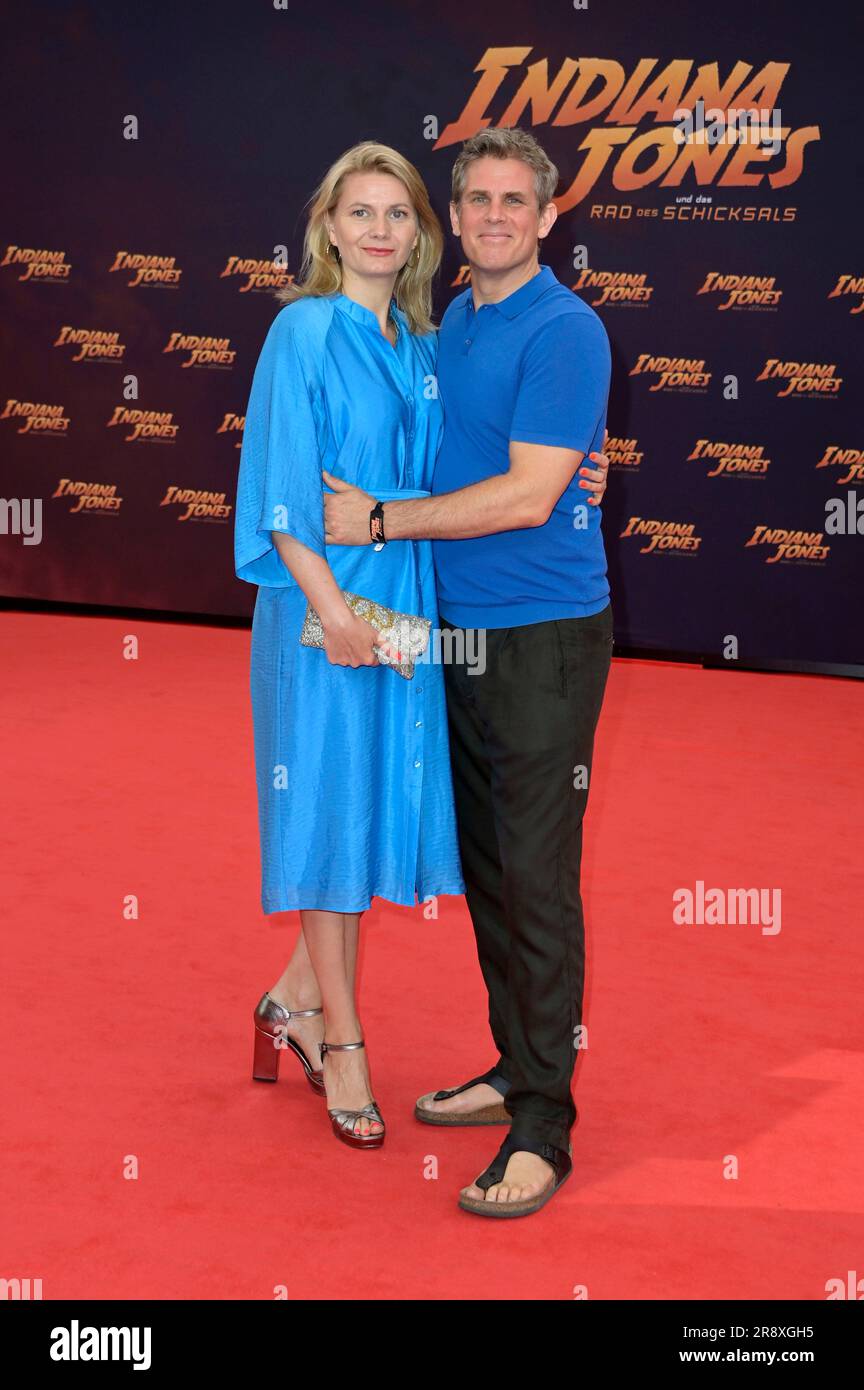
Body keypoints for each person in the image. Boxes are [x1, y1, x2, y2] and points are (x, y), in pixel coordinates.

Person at [323, 128, 614, 1215]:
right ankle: (513, 1066)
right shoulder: (453, 324)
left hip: (545, 640)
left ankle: (544, 1125)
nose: (495, 215)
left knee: (537, 881)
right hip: (456, 636)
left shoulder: (567, 330)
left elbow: (530, 495)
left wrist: (382, 520)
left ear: (546, 217)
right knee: (488, 870)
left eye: (514, 200)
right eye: (478, 199)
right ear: (455, 216)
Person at [233, 142, 469, 1149]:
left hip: (402, 605)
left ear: (419, 235)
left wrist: (578, 475)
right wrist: (333, 613)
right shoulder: (304, 329)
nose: (379, 229)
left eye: (397, 213)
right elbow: (283, 489)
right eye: (360, 211)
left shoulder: (421, 344)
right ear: (329, 228)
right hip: (318, 607)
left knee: (367, 813)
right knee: (329, 814)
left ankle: (288, 1000)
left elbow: (465, 471)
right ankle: (342, 1042)